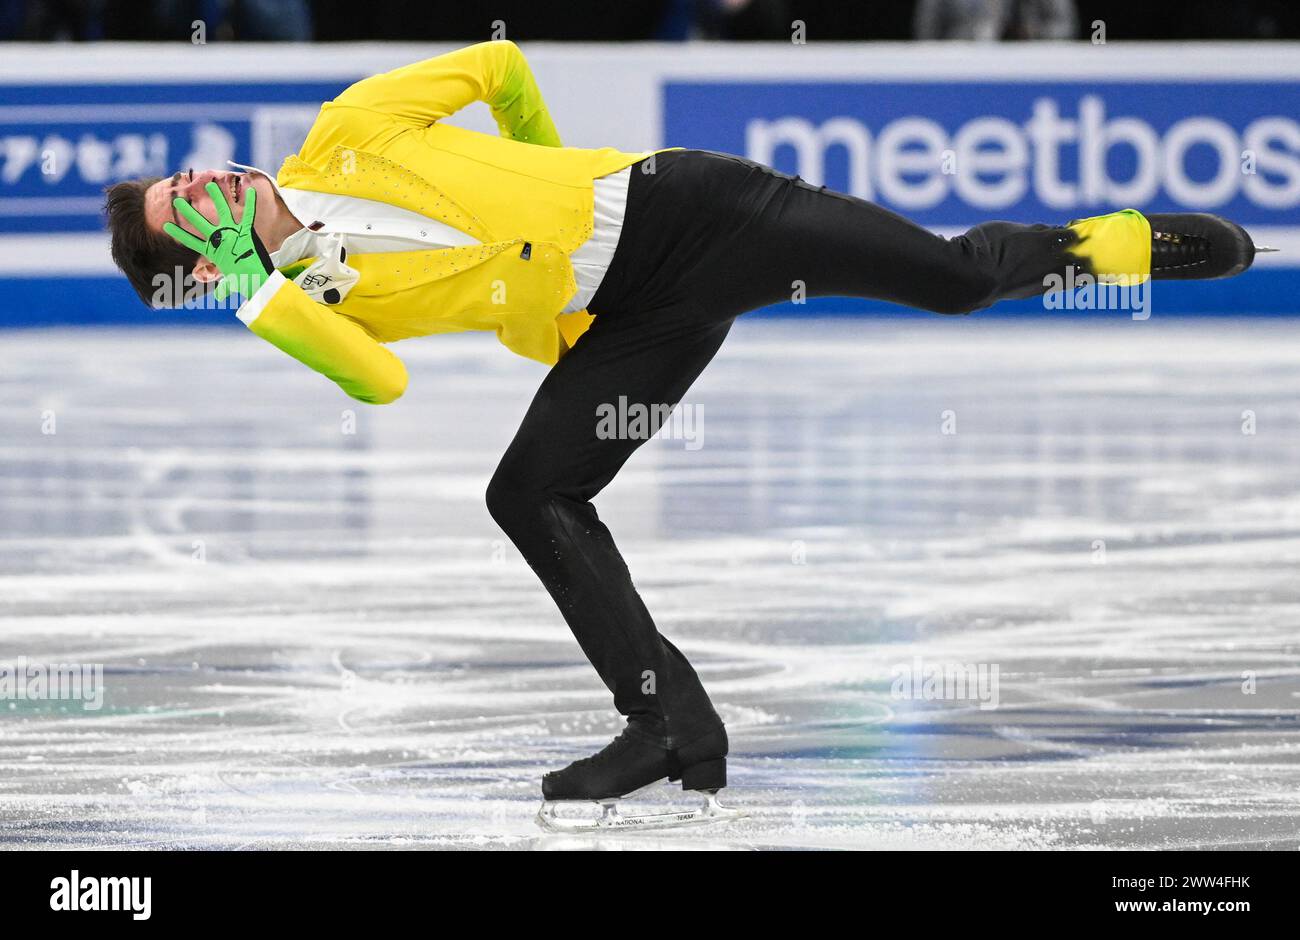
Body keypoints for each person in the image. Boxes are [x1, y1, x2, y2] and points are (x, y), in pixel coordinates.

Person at [103, 40, 1261, 829]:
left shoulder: (345, 129)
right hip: (637, 321)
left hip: (693, 211)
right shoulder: (321, 302)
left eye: (189, 174)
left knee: (954, 280)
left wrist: (556, 168)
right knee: (530, 492)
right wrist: (261, 292)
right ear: (206, 266)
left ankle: (1123, 246)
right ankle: (668, 720)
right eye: (187, 206)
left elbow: (499, 67)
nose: (207, 180)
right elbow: (379, 383)